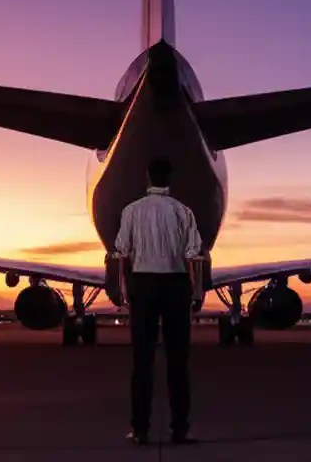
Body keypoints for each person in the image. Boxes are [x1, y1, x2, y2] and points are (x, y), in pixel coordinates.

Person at [114, 156, 203, 446]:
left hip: (142, 283)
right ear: (169, 178)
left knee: (142, 361)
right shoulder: (182, 211)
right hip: (176, 284)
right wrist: (196, 291)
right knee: (178, 361)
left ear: (148, 177)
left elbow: (122, 253)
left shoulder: (131, 211)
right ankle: (181, 429)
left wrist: (125, 286)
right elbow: (193, 256)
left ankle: (140, 430)